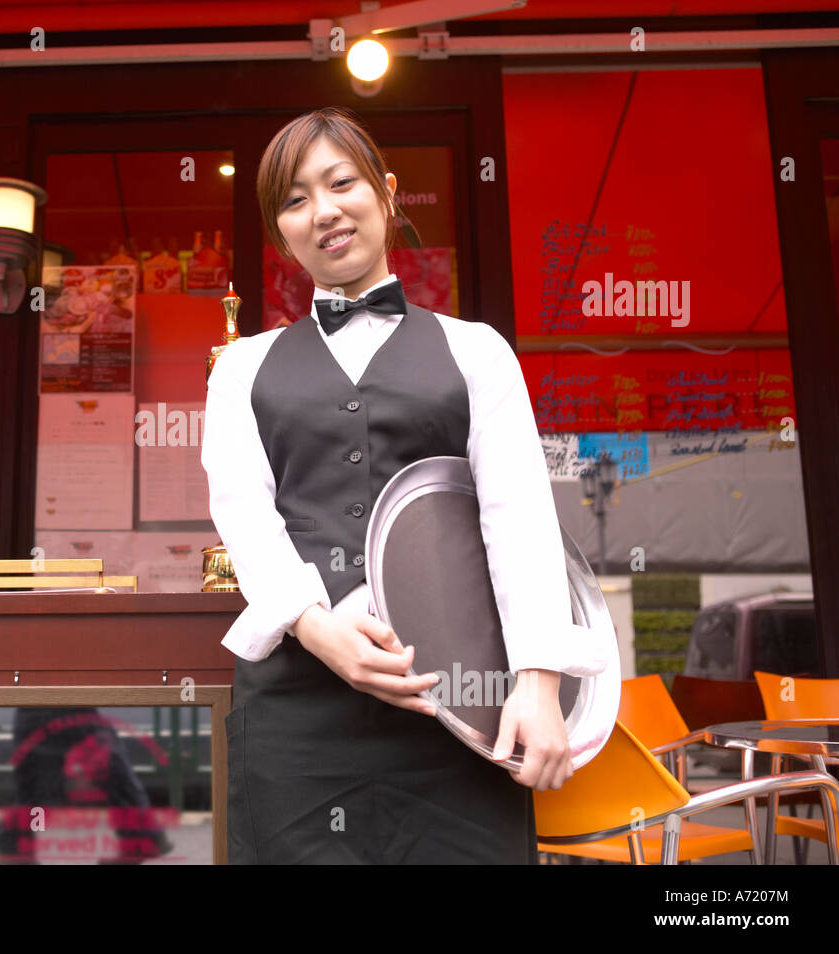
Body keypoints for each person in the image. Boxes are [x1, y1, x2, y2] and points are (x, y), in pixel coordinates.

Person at [200, 107, 608, 864]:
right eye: (293, 201)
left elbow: (517, 522)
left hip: (460, 704)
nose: (322, 211)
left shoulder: (477, 352)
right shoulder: (241, 371)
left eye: (340, 182)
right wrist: (321, 633)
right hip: (298, 717)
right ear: (279, 232)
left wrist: (540, 685)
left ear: (386, 194)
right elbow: (245, 517)